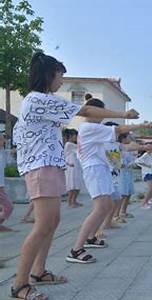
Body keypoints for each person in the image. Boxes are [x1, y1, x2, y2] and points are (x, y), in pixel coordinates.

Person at [10, 52, 140, 300]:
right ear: (49, 75)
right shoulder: (38, 99)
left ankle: (39, 272)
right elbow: (84, 110)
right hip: (40, 166)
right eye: (60, 75)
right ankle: (19, 285)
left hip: (48, 165)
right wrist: (124, 115)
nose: (61, 80)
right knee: (42, 226)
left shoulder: (43, 100)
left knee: (52, 222)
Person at [65, 98, 152, 265]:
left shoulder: (93, 129)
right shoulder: (89, 127)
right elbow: (119, 129)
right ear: (93, 112)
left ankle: (91, 238)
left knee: (109, 204)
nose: (102, 117)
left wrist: (141, 147)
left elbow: (123, 146)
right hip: (94, 169)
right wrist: (142, 125)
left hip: (100, 169)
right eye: (101, 113)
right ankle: (76, 249)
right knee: (100, 208)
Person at [118, 133, 138, 219]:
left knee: (128, 193)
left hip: (128, 172)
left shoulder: (129, 148)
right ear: (123, 138)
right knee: (122, 194)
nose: (130, 139)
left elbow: (133, 158)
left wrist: (133, 163)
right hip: (121, 173)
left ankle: (123, 212)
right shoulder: (119, 147)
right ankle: (116, 214)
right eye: (129, 137)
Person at [135, 142, 152, 209]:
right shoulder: (146, 154)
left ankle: (148, 199)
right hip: (147, 173)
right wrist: (146, 165)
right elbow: (137, 161)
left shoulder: (151, 155)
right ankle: (144, 203)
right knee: (151, 188)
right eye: (151, 147)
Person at [64, 129, 84, 208]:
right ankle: (70, 202)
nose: (77, 138)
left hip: (77, 166)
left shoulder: (74, 145)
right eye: (75, 136)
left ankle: (74, 201)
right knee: (72, 186)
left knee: (77, 185)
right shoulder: (69, 144)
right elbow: (80, 148)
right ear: (71, 136)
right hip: (70, 167)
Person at [0, 133, 14, 232]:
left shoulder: (2, 152)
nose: (4, 141)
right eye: (2, 139)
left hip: (1, 185)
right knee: (8, 206)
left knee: (6, 207)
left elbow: (9, 163)